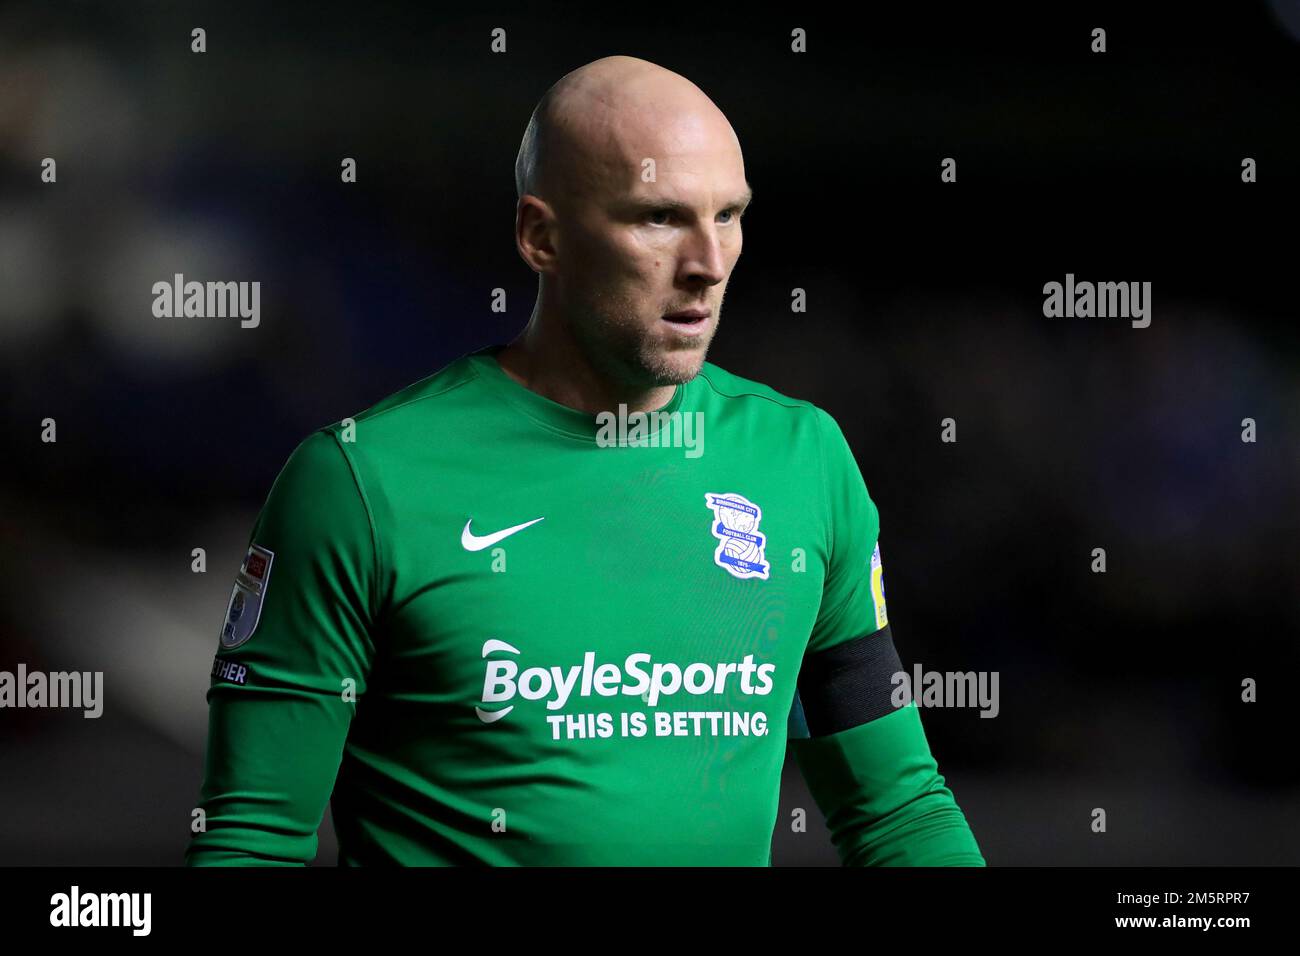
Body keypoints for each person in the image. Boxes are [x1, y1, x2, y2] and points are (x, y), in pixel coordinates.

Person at [186, 55, 985, 866]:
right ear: (542, 236)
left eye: (729, 215)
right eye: (658, 218)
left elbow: (897, 814)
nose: (709, 261)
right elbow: (251, 843)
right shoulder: (357, 482)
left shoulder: (802, 459)